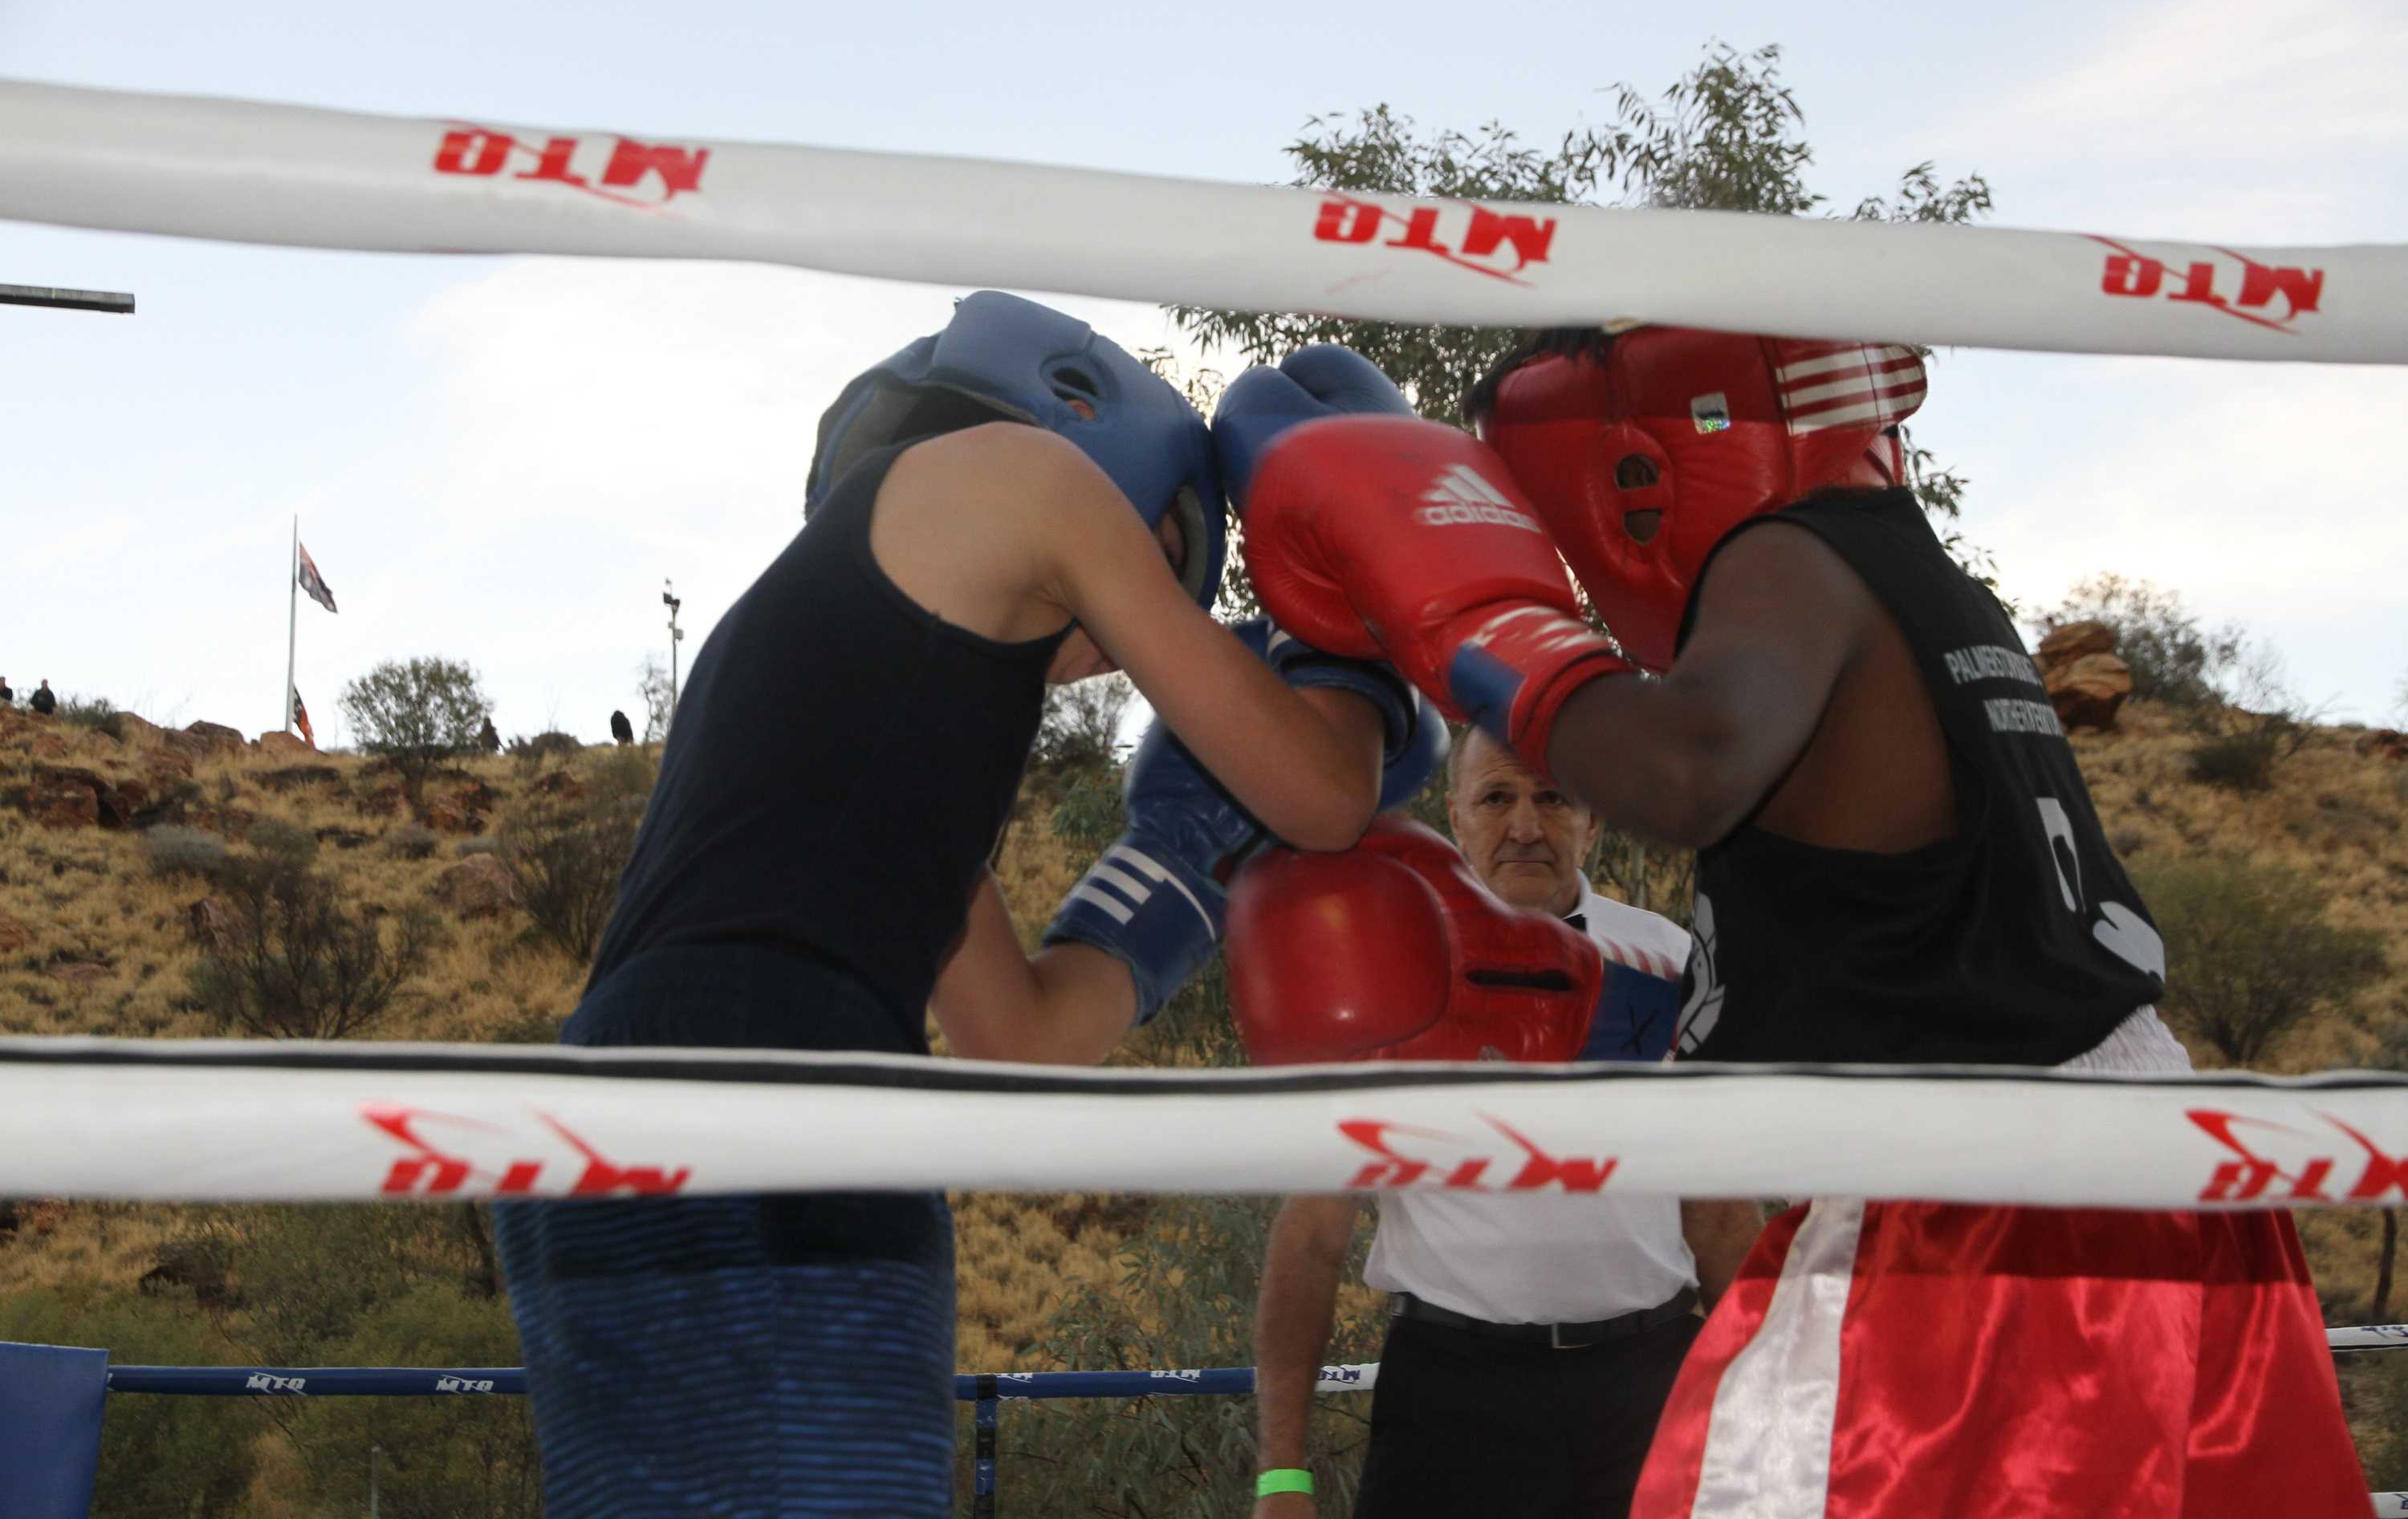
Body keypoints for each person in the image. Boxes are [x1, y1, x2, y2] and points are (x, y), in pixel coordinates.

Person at [1228, 327, 2366, 1516]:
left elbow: (1690, 769)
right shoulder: (1922, 585)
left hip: (1983, 1216)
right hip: (2136, 1183)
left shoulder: (1786, 556)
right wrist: (1527, 989)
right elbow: (1890, 936)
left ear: (1643, 476)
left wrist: (1475, 618)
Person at [490, 293, 1413, 1519]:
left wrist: (1176, 859)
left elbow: (1019, 1039)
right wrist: (1355, 652)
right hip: (783, 1091)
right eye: (1168, 553)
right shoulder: (1027, 475)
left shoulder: (877, 687)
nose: (1109, 655)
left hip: (614, 1114)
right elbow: (1324, 797)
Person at [1238, 722, 1761, 1519]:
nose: (1525, 824)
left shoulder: (1671, 963)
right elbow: (1312, 1234)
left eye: (1553, 797)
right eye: (1497, 797)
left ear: (1593, 818)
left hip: (1650, 1388)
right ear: (1456, 816)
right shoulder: (1382, 974)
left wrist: (1770, 1428)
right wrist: (1282, 1475)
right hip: (1453, 1396)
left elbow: (1721, 1218)